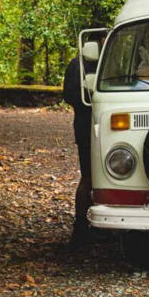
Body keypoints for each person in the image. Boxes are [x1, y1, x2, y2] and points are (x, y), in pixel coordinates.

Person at [62, 54, 96, 246]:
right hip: (86, 127)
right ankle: (81, 227)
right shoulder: (78, 64)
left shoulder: (110, 57)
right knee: (88, 177)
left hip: (94, 126)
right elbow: (70, 95)